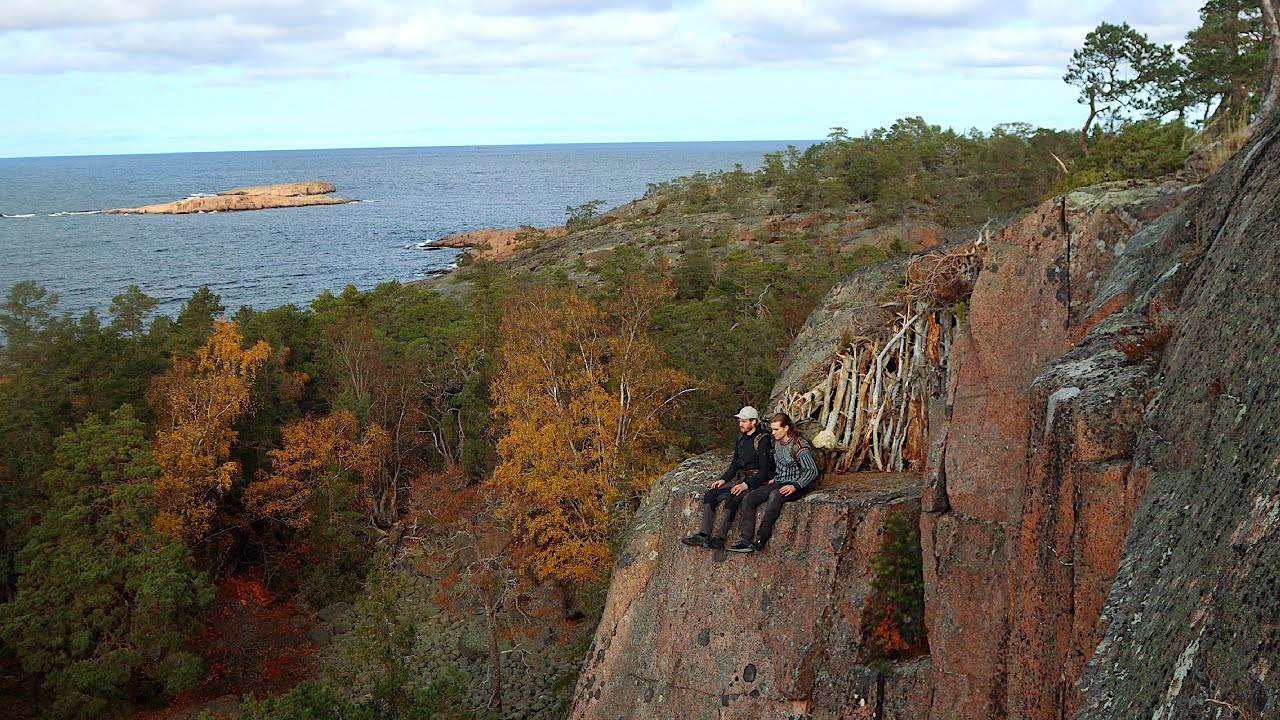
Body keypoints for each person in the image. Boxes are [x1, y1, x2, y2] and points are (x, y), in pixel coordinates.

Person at [682, 406, 774, 550]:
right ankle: (703, 534)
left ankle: (720, 537)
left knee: (733, 498)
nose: (740, 424)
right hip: (739, 478)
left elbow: (764, 471)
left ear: (753, 422)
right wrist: (723, 479)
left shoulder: (763, 440)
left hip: (755, 481)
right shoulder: (741, 439)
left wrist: (746, 485)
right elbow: (735, 464)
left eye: (744, 421)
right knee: (710, 494)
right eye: (740, 421)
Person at [728, 412, 818, 553]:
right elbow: (779, 466)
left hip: (797, 484)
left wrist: (795, 486)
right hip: (780, 481)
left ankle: (762, 538)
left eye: (776, 429)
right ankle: (745, 539)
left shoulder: (799, 445)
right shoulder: (777, 444)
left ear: (786, 428)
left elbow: (812, 471)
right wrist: (775, 478)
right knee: (749, 498)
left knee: (775, 496)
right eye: (772, 429)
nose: (773, 432)